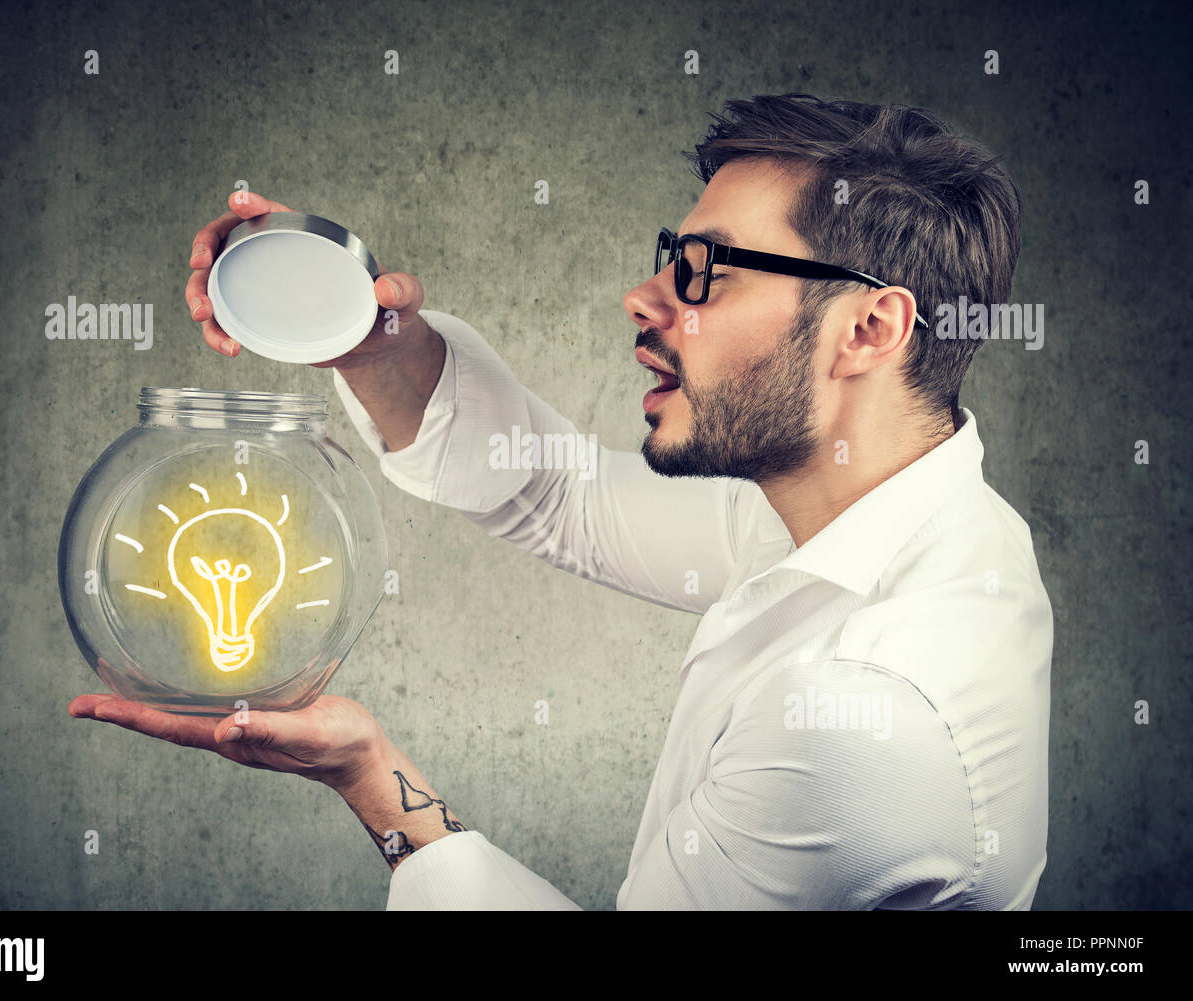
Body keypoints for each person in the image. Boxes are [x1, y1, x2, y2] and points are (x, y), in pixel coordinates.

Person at [70, 92, 1052, 910]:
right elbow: (561, 496)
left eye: (704, 269)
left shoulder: (859, 715)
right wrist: (363, 333)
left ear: (869, 327)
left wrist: (370, 778)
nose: (644, 295)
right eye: (672, 253)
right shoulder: (893, 514)